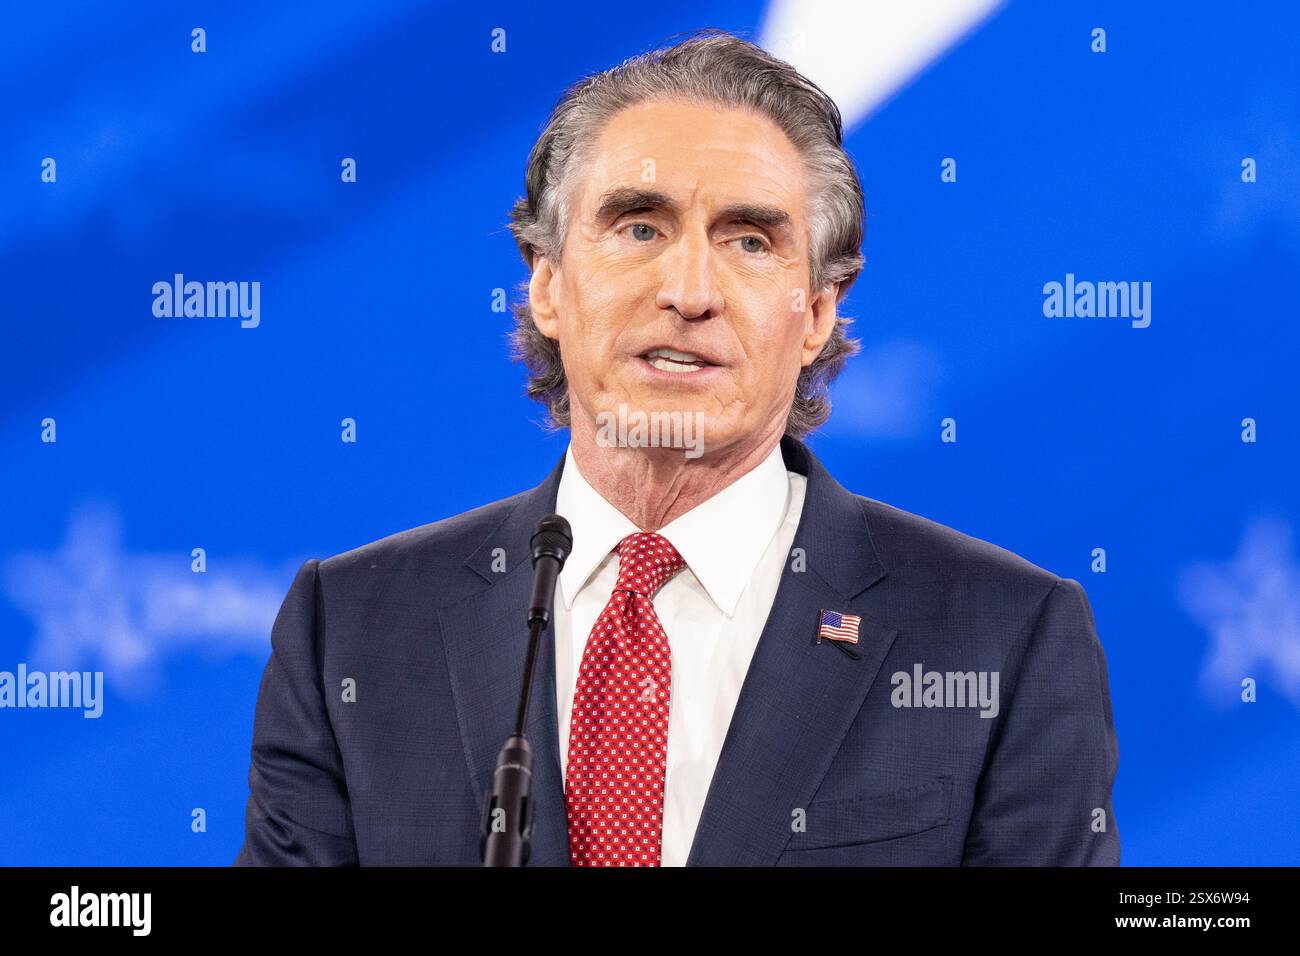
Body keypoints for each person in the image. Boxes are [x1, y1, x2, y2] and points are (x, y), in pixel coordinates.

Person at [235, 28, 1119, 867]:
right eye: (640, 228)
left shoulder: (1001, 640)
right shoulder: (350, 631)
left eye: (748, 240)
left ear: (815, 314)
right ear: (546, 283)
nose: (690, 291)